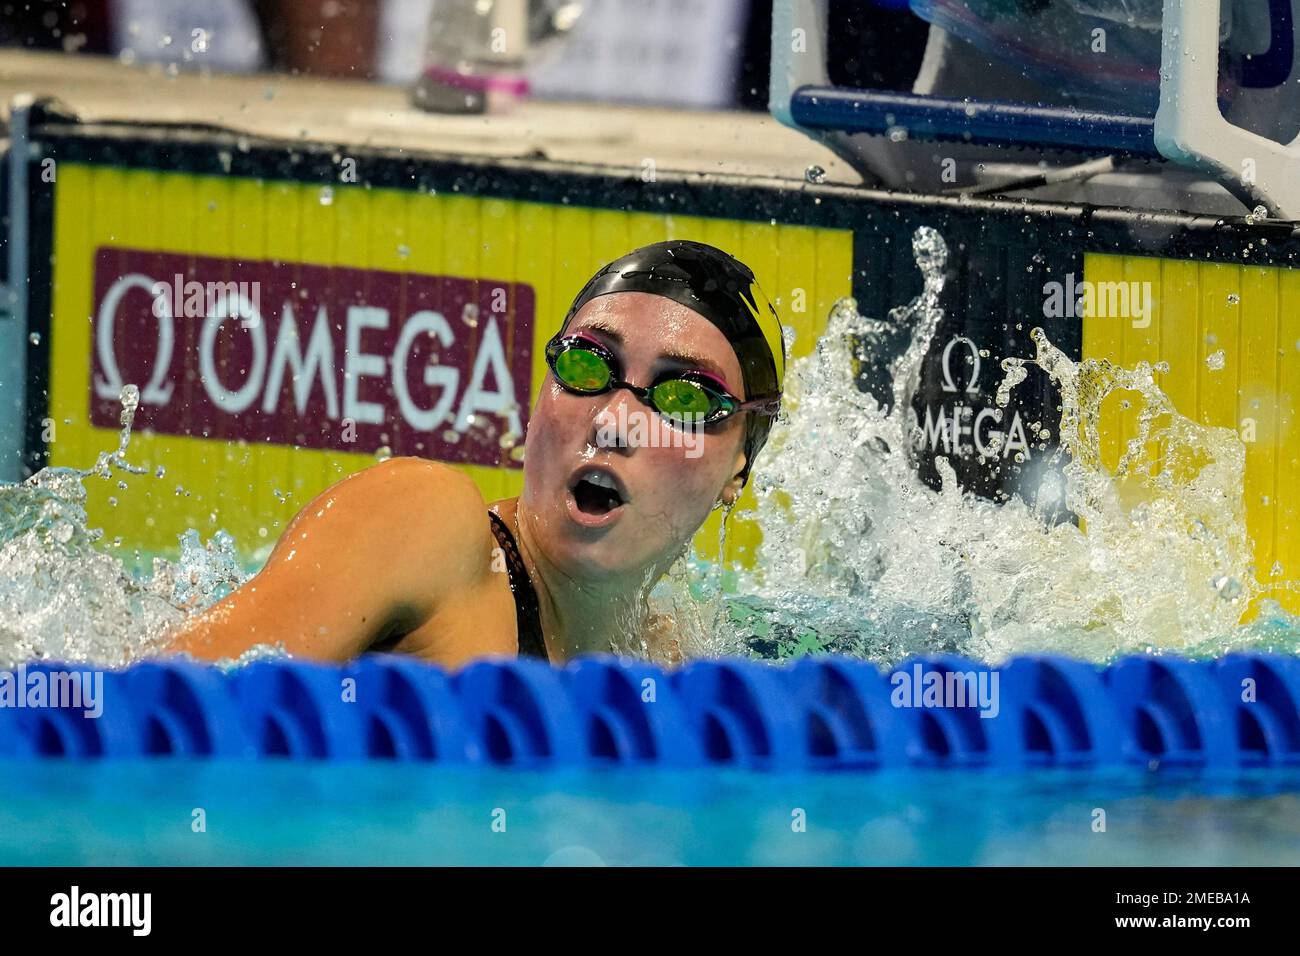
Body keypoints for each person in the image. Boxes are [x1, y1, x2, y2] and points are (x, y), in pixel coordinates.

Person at [166, 240, 785, 667]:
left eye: (683, 398)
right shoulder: (423, 522)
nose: (615, 422)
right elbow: (171, 704)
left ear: (738, 468)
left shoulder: (675, 665)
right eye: (587, 363)